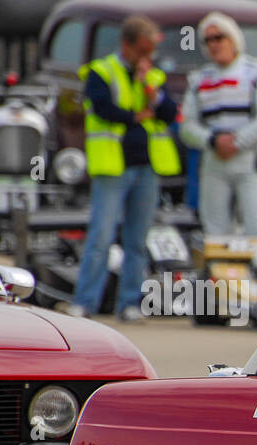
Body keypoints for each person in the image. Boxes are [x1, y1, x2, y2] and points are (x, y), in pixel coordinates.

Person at [65, 15, 180, 321]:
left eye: (150, 52)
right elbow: (101, 106)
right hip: (113, 165)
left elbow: (169, 113)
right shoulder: (102, 71)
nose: (147, 57)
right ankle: (85, 301)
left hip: (146, 166)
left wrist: (150, 91)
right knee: (100, 237)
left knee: (138, 240)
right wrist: (134, 118)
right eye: (142, 50)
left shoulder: (153, 76)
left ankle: (130, 303)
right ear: (126, 45)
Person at [180, 12, 257, 237]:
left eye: (219, 37)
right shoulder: (199, 79)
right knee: (215, 231)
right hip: (215, 162)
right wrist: (213, 140)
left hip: (250, 160)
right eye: (208, 40)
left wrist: (236, 141)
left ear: (234, 39)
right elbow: (186, 125)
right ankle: (223, 273)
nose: (214, 44)